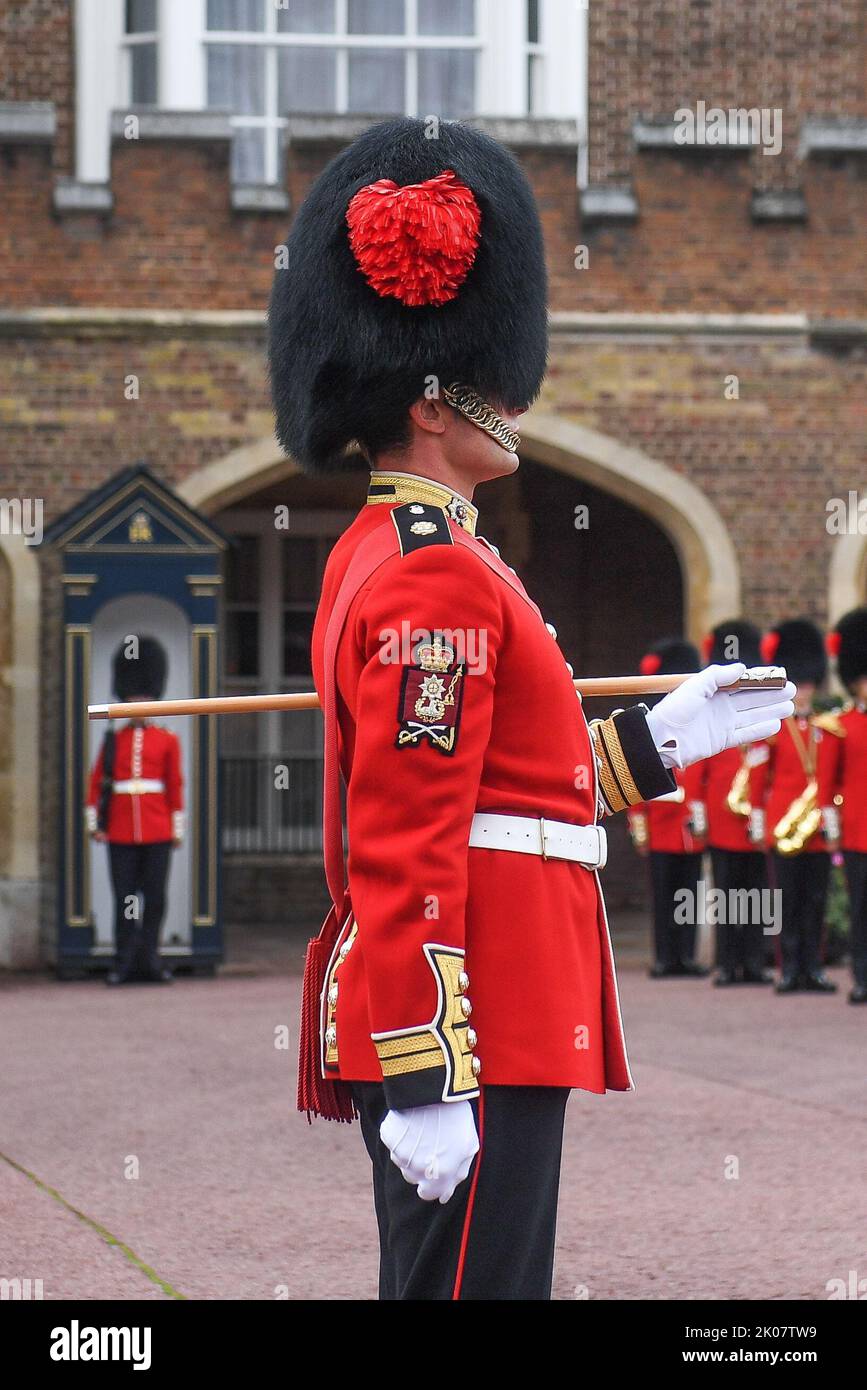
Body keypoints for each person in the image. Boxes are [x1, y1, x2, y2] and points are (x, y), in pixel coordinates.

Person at [267, 116, 794, 1301]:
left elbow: (514, 791)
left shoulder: (428, 552)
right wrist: (423, 1072)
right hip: (474, 1024)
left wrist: (666, 737)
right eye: (493, 380)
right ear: (436, 402)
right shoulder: (430, 568)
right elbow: (405, 841)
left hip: (499, 1008)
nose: (518, 397)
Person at [748, 620, 838, 994]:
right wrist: (756, 818)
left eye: (809, 686)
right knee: (785, 901)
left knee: (816, 900)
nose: (804, 694)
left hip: (815, 827)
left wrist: (831, 823)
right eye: (799, 687)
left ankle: (813, 967)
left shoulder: (827, 728)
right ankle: (789, 968)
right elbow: (757, 778)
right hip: (784, 824)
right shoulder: (772, 727)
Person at [86, 637, 183, 985]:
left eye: (144, 696)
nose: (139, 702)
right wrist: (95, 824)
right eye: (134, 696)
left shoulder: (167, 738)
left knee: (154, 899)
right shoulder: (114, 739)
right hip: (121, 829)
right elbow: (96, 783)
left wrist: (177, 828)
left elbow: (175, 785)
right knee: (125, 898)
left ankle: (150, 960)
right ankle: (124, 961)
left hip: (157, 829)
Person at [697, 621, 773, 986]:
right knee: (727, 897)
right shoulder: (713, 714)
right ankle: (728, 964)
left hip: (755, 821)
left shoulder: (765, 715)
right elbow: (699, 772)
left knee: (757, 896)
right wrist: (699, 816)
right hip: (723, 821)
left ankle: (754, 962)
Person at [627, 640, 709, 978]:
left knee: (687, 899)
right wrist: (640, 829)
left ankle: (685, 956)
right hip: (660, 827)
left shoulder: (699, 725)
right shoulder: (648, 726)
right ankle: (664, 958)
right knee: (663, 898)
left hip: (688, 829)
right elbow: (633, 780)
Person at [821, 608, 867, 1004]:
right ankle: (863, 976)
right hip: (856, 831)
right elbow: (827, 785)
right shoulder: (842, 725)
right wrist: (833, 831)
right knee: (861, 910)